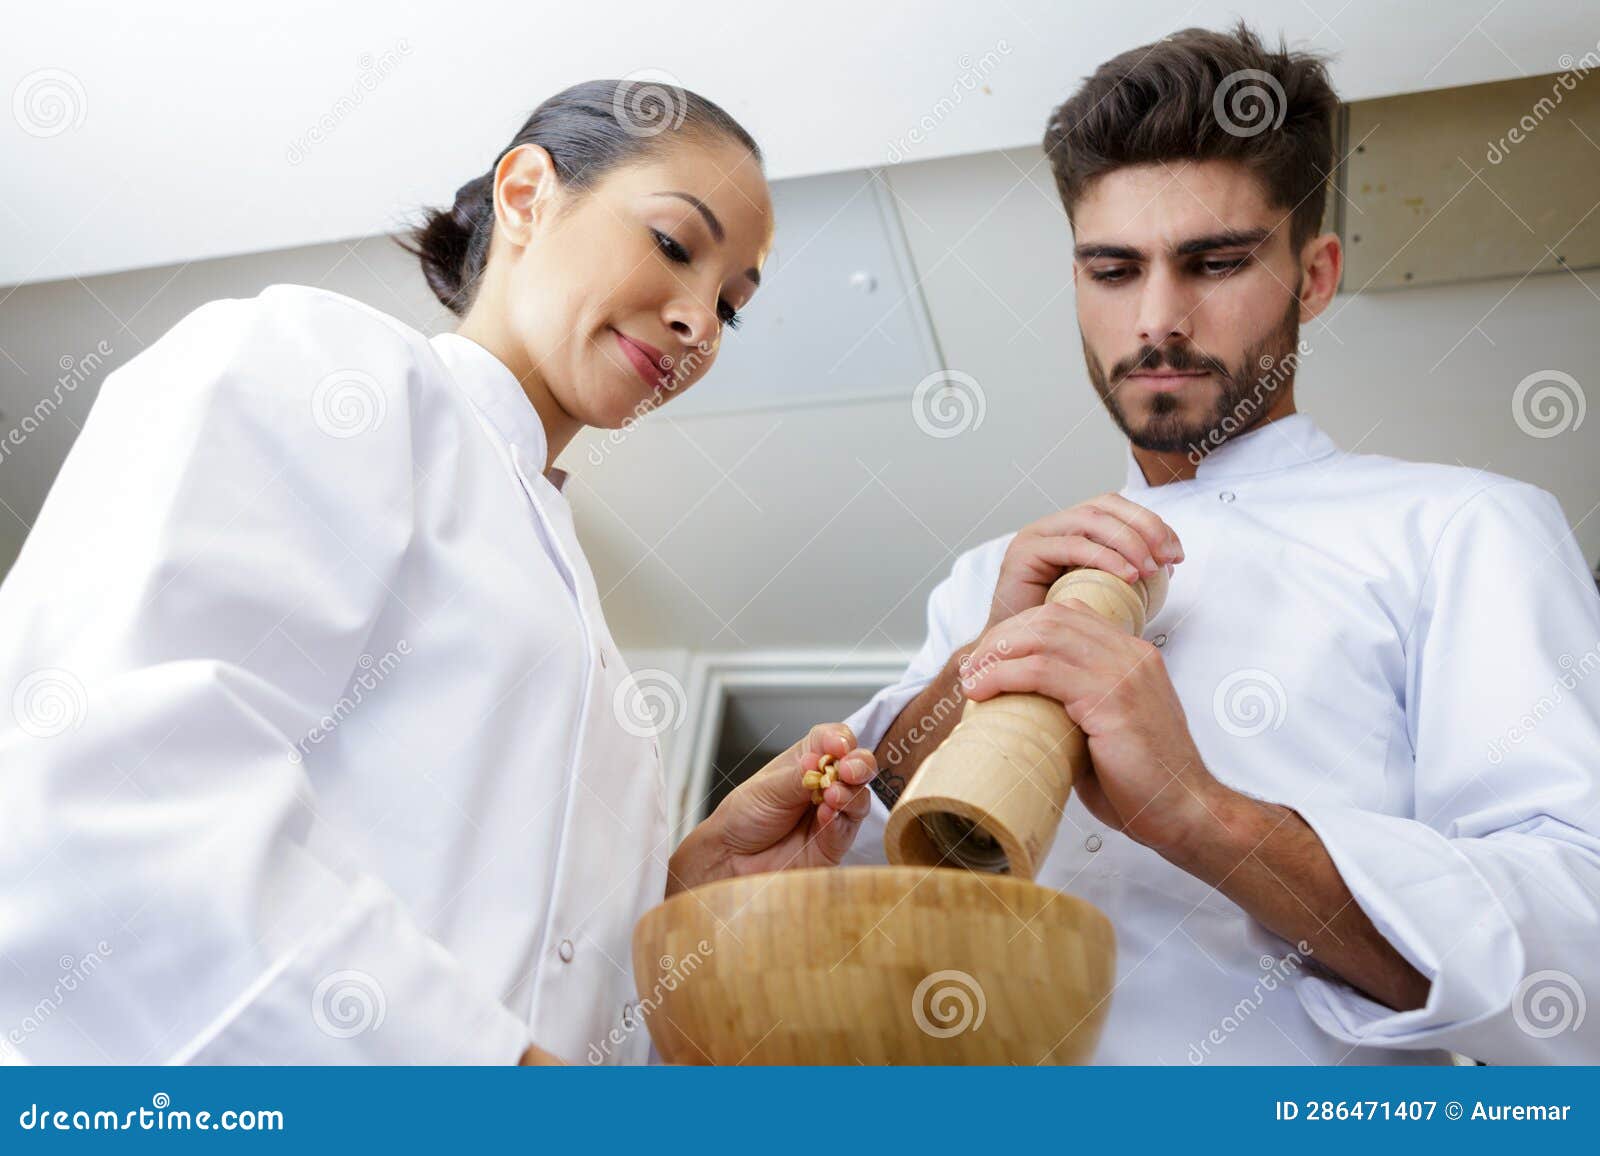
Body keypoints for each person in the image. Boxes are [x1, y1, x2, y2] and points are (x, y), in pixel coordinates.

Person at [0, 80, 879, 1065]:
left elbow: (535, 989)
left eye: (731, 305)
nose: (698, 324)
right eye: (675, 244)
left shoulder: (583, 640)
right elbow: (95, 791)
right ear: (525, 194)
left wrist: (687, 892)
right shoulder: (322, 368)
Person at [843, 24, 1600, 1064]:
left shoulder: (1463, 529)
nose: (1156, 319)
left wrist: (1201, 814)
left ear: (1316, 274)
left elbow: (1575, 958)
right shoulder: (988, 578)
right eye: (1111, 269)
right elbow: (858, 896)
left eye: (1214, 262)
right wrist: (967, 674)